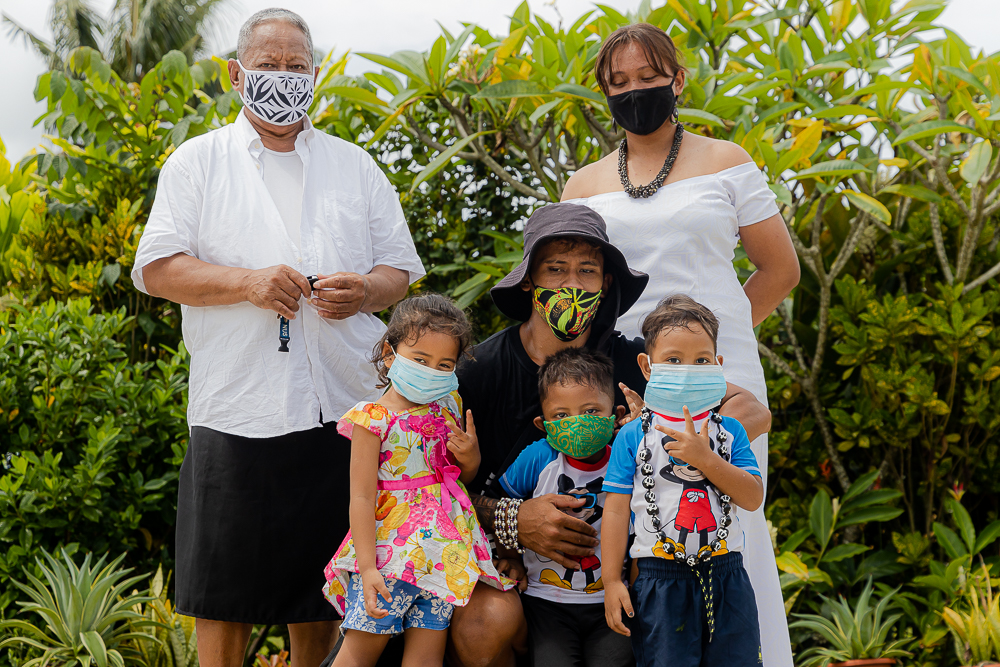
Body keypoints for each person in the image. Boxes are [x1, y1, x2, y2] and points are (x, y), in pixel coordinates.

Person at [130, 9, 424, 667]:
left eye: (297, 67)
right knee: (223, 592)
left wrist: (365, 292)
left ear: (315, 75)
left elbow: (399, 271)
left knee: (320, 594)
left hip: (342, 407)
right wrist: (248, 283)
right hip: (238, 406)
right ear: (236, 74)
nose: (283, 79)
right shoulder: (197, 162)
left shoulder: (356, 167)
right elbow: (155, 268)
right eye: (268, 65)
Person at [562, 23, 800, 666]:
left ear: (678, 80)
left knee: (729, 524)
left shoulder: (727, 161)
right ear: (603, 93)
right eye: (620, 83)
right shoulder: (582, 186)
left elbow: (780, 270)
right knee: (639, 519)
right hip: (630, 373)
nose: (635, 90)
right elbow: (577, 286)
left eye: (648, 77)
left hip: (720, 377)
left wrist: (707, 343)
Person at [451, 202, 773, 667]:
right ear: (528, 280)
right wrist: (512, 521)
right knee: (484, 621)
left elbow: (750, 410)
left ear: (606, 284)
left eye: (587, 270)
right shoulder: (480, 372)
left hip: (630, 576)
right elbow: (430, 483)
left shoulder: (637, 362)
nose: (572, 284)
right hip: (517, 574)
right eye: (555, 269)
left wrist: (661, 439)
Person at [322, 294, 514, 667]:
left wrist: (470, 455)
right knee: (360, 652)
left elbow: (457, 478)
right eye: (420, 360)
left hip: (444, 554)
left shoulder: (448, 408)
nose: (432, 372)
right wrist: (366, 566)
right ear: (390, 354)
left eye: (445, 365)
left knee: (426, 657)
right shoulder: (372, 418)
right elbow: (360, 497)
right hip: (388, 555)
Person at [602, 295, 764, 667]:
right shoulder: (632, 437)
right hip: (660, 580)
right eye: (673, 360)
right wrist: (612, 580)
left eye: (702, 360)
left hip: (727, 576)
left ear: (718, 366)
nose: (688, 369)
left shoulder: (731, 433)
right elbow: (614, 512)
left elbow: (752, 496)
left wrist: (705, 458)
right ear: (647, 365)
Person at [496, 347, 633, 667]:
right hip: (546, 603)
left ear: (614, 414)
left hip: (610, 600)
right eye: (561, 416)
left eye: (591, 411)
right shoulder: (537, 458)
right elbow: (503, 504)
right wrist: (509, 557)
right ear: (543, 423)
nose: (577, 422)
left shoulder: (625, 457)